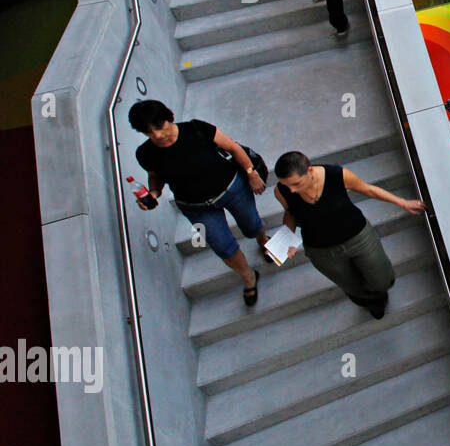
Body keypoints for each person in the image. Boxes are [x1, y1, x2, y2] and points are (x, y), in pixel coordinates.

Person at [129, 100, 268, 307]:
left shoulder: (196, 129)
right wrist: (155, 193)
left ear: (169, 118)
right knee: (223, 247)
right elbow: (155, 176)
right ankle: (248, 277)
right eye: (148, 132)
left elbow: (233, 147)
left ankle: (263, 241)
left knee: (252, 225)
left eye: (159, 126)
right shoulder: (145, 153)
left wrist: (251, 173)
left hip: (232, 188)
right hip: (196, 207)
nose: (157, 135)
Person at [273, 151, 425, 319]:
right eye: (287, 185)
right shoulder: (282, 191)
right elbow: (291, 213)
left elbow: (368, 189)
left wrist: (402, 202)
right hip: (321, 250)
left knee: (382, 278)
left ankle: (380, 294)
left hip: (358, 237)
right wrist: (288, 240)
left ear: (309, 171)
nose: (292, 190)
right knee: (353, 287)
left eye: (296, 184)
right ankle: (372, 303)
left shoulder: (336, 175)